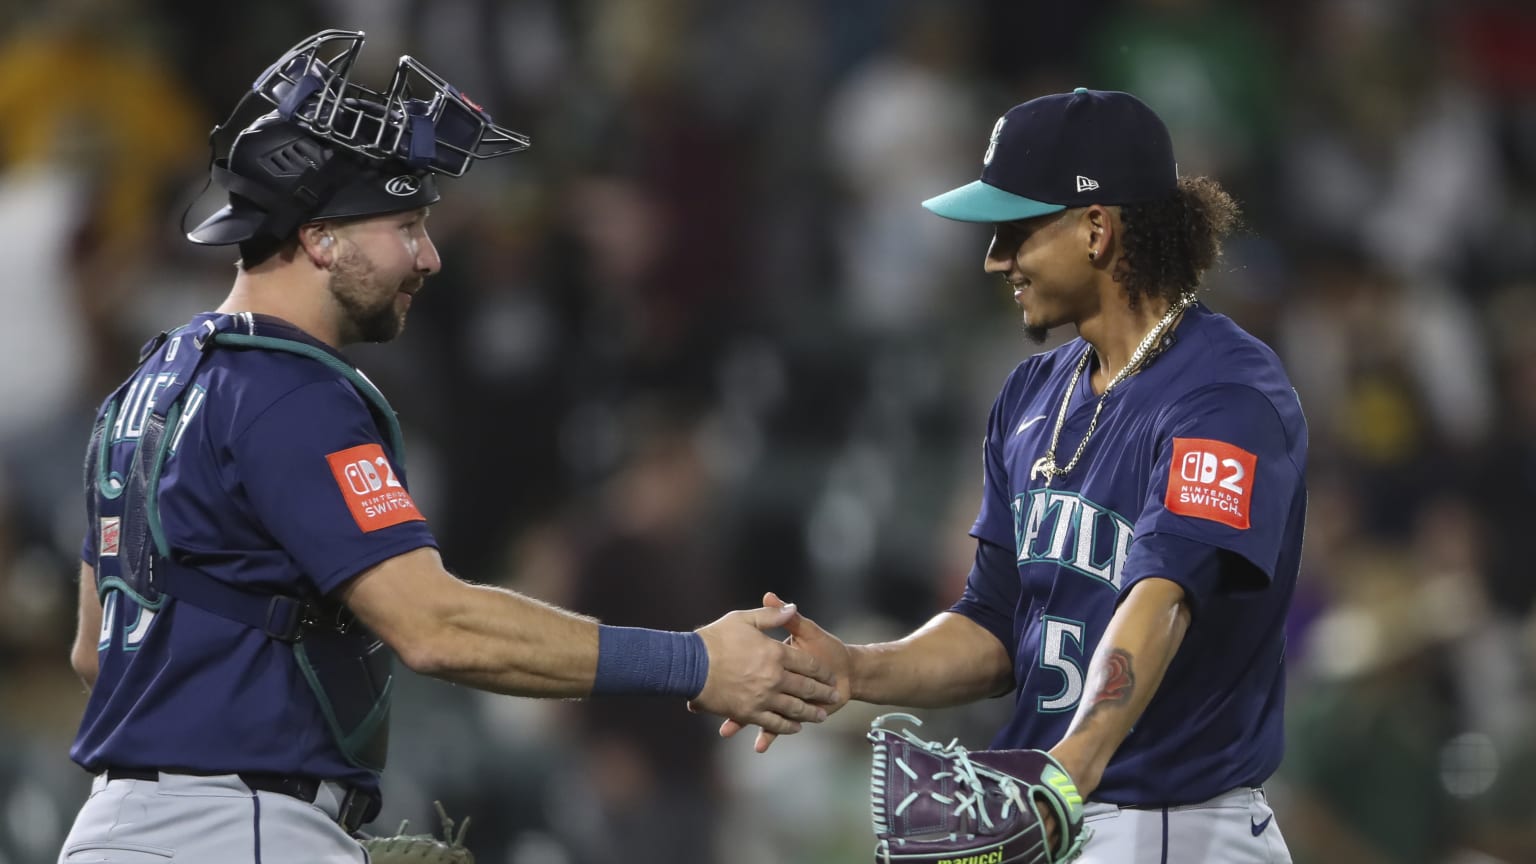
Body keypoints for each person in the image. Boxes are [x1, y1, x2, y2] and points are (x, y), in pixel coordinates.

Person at [59, 30, 835, 864]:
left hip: (114, 831)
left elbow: (91, 652)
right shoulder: (289, 390)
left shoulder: (145, 389)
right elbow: (434, 626)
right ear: (320, 237)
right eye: (405, 222)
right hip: (232, 832)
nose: (429, 255)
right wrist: (691, 661)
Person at [722, 88, 1308, 862]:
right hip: (1063, 812)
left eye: (1016, 229)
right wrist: (858, 668)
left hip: (1168, 825)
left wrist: (1070, 769)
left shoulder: (1225, 395)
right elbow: (997, 625)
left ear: (1097, 228)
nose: (995, 257)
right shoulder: (1032, 393)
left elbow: (1163, 602)